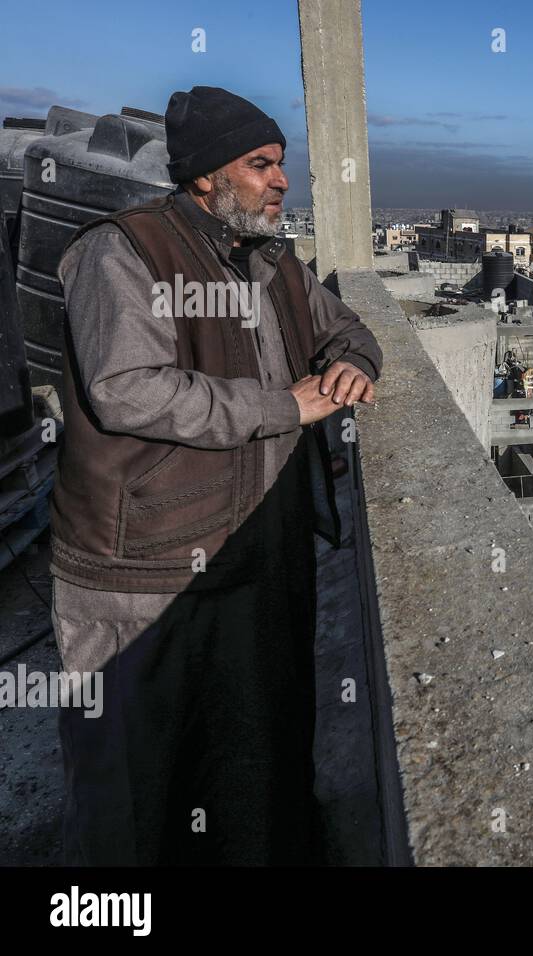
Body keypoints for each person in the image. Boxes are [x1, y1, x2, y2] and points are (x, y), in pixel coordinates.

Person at [50, 87, 382, 865]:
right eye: (260, 165)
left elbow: (349, 327)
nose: (280, 183)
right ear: (204, 177)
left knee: (246, 763)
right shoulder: (125, 252)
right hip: (142, 567)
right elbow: (126, 387)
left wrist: (354, 365)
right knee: (129, 787)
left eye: (281, 166)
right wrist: (282, 406)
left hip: (249, 558)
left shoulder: (267, 261)